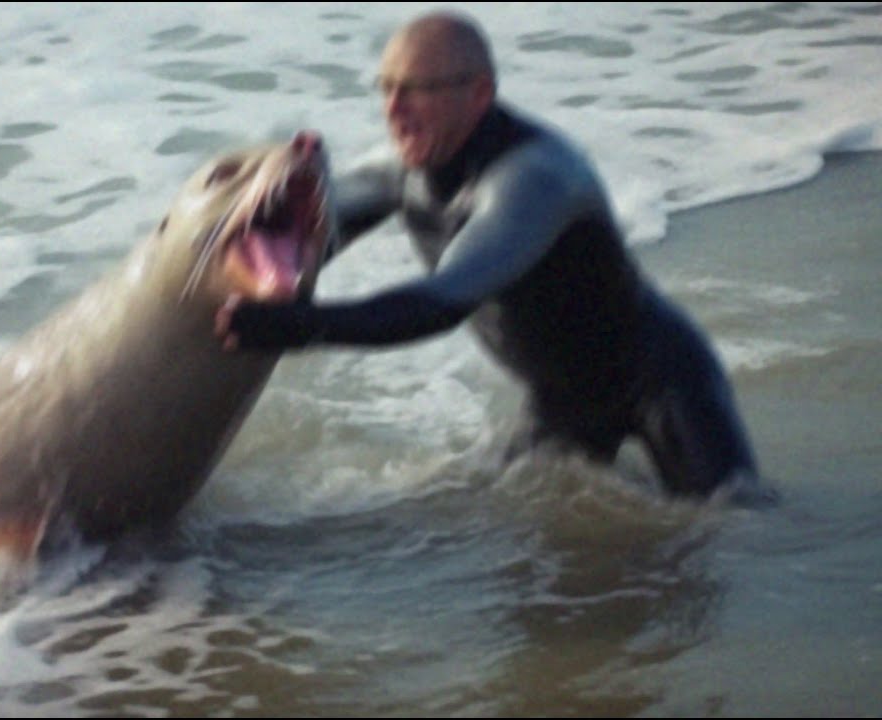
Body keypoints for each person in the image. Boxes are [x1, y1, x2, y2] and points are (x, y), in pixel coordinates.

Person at [216, 11, 766, 500]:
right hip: (559, 401)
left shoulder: (534, 180)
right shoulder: (398, 169)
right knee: (531, 568)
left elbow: (441, 301)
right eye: (385, 88)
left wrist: (301, 327)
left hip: (657, 379)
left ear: (478, 95)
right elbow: (304, 238)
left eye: (415, 90)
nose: (394, 112)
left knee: (735, 531)